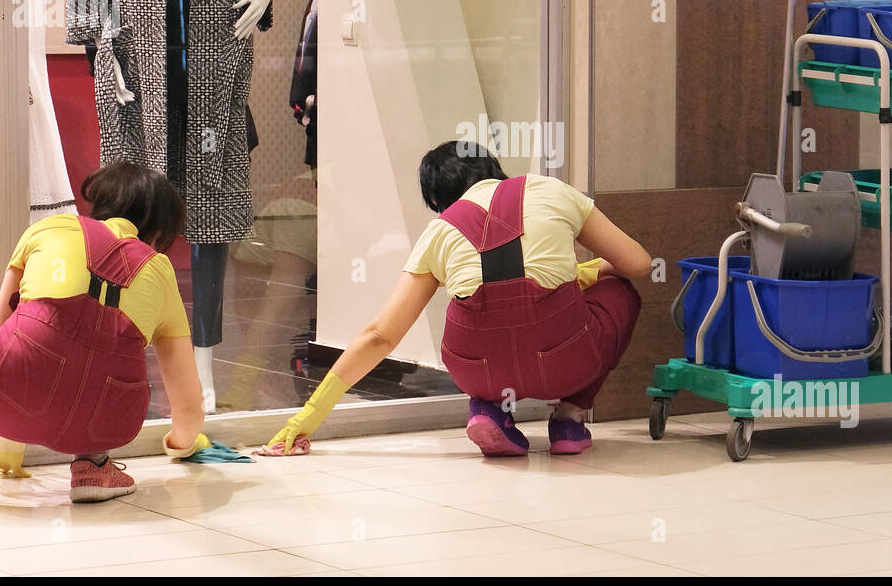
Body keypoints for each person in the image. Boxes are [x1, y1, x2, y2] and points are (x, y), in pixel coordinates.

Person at [263, 141, 650, 458]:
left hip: (479, 370)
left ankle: (489, 410)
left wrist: (308, 419)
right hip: (566, 359)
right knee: (620, 292)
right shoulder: (552, 191)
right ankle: (569, 417)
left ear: (438, 199)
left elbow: (381, 335)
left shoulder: (440, 229)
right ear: (494, 168)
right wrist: (582, 275)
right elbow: (638, 264)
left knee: (473, 312)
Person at [0, 162, 208, 504]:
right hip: (109, 423)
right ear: (158, 234)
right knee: (106, 360)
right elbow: (187, 405)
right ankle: (94, 466)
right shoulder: (161, 270)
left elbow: (0, 335)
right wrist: (181, 446)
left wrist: (7, 440)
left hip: (6, 397)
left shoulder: (50, 229)